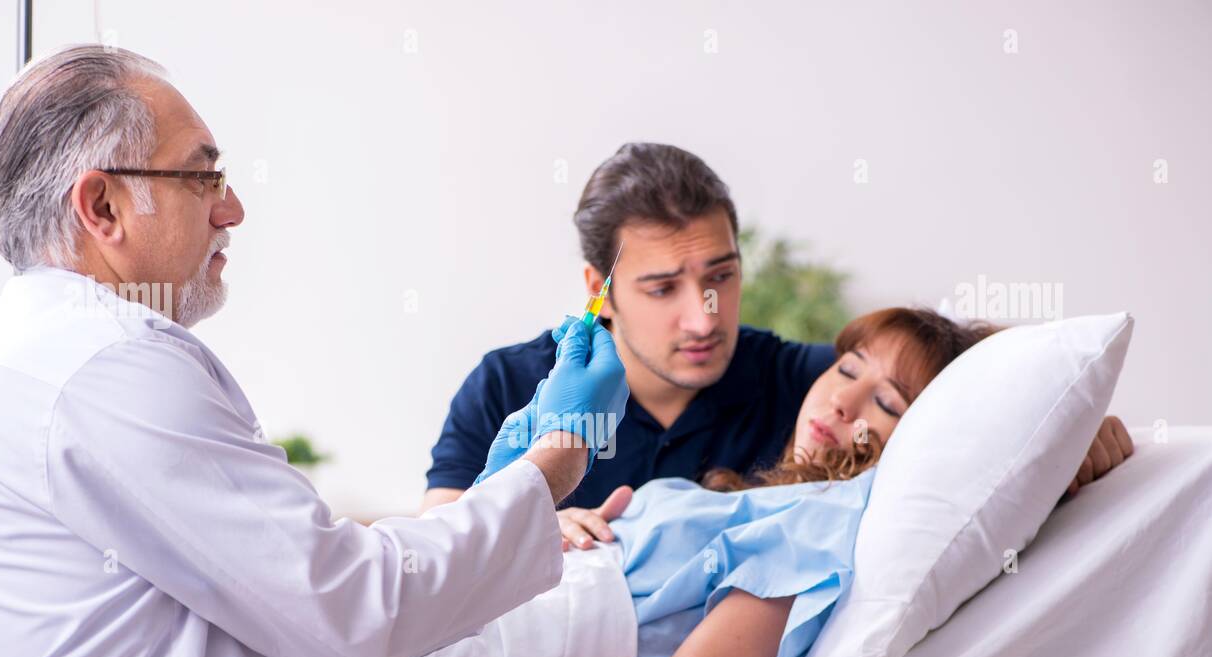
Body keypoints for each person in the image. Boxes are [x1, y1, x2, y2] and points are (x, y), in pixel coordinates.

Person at [0, 45, 626, 657]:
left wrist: (507, 485)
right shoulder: (104, 366)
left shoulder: (49, 355)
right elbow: (349, 599)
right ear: (103, 206)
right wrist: (553, 466)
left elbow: (289, 566)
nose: (234, 210)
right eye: (203, 177)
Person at [362, 307, 1125, 657]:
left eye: (888, 405)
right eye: (848, 368)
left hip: (513, 647)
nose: (841, 402)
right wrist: (553, 522)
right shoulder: (754, 495)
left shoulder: (828, 522)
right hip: (503, 590)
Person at [421, 142, 1133, 549]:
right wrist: (534, 515)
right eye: (664, 288)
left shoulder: (800, 381)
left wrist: (1076, 424)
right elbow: (432, 552)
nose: (704, 319)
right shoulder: (509, 384)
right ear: (597, 290)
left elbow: (956, 382)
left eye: (721, 277)